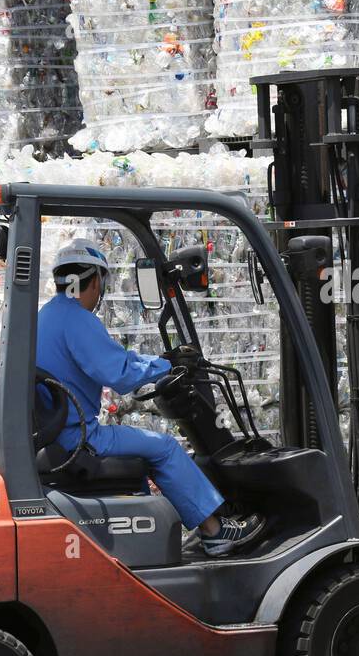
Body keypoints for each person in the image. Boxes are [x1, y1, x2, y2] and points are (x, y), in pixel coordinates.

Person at [36, 238, 264, 557]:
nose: (100, 293)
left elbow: (111, 362)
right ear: (95, 280)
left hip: (58, 435)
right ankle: (216, 532)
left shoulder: (44, 317)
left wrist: (156, 364)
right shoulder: (78, 319)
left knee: (143, 453)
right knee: (165, 447)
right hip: (81, 437)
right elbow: (119, 372)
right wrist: (168, 364)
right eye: (101, 283)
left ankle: (159, 536)